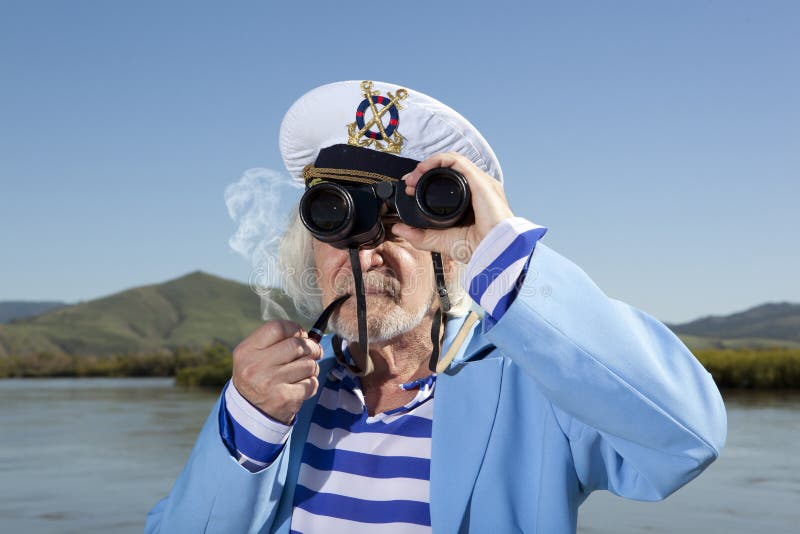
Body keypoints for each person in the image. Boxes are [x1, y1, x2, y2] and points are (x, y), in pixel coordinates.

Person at [145, 80, 727, 533]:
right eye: (340, 226)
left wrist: (503, 255)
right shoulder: (280, 397)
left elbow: (687, 440)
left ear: (449, 252)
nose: (366, 257)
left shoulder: (536, 390)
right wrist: (252, 421)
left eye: (400, 227)